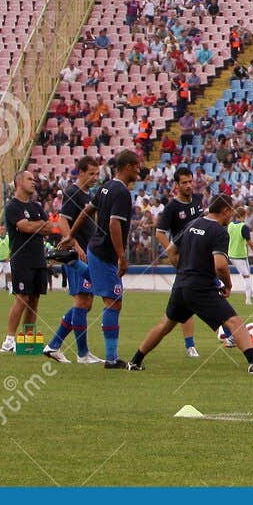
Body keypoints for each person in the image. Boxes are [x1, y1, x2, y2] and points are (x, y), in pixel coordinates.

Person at [125, 195, 253, 374]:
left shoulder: (192, 224)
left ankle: (135, 361)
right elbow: (220, 265)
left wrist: (183, 269)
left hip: (181, 284)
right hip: (201, 287)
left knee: (165, 325)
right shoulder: (219, 232)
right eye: (230, 212)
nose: (231, 217)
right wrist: (227, 285)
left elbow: (170, 251)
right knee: (234, 321)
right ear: (225, 211)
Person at [65, 149, 143, 368]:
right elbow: (114, 224)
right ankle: (111, 358)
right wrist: (121, 256)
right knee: (113, 302)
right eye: (136, 166)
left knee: (98, 283)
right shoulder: (121, 192)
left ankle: (72, 261)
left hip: (95, 248)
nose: (139, 170)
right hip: (105, 253)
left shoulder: (105, 187)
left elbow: (87, 211)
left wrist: (71, 235)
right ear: (127, 167)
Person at [44, 156, 103, 363]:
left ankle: (54, 345)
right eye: (91, 174)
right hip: (78, 255)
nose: (95, 177)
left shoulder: (87, 194)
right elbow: (62, 221)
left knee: (86, 304)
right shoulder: (73, 193)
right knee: (82, 300)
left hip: (88, 253)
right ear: (80, 172)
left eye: (97, 173)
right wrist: (76, 247)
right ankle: (82, 353)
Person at [153, 166, 203, 357]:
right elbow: (159, 233)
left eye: (190, 181)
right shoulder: (172, 208)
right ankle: (191, 344)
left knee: (197, 297)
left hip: (201, 256)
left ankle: (226, 332)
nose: (189, 185)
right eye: (184, 182)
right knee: (189, 301)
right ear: (176, 185)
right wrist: (172, 253)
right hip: (185, 260)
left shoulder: (198, 201)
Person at [1, 169, 52, 353]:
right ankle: (8, 341)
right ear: (18, 182)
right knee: (22, 298)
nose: (34, 182)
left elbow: (49, 228)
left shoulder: (36, 207)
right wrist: (37, 226)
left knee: (34, 299)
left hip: (38, 257)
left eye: (34, 179)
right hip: (21, 258)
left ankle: (28, 340)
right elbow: (24, 227)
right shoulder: (12, 207)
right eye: (30, 179)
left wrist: (34, 226)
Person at [226, 205, 253, 305]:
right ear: (244, 215)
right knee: (246, 276)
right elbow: (250, 242)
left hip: (233, 254)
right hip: (239, 255)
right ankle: (248, 299)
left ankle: (252, 292)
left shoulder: (230, 225)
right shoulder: (244, 227)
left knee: (246, 274)